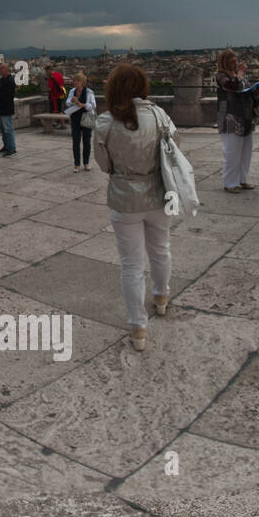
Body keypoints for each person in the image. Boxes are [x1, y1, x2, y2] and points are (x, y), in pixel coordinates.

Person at [97, 64, 179, 351]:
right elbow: (174, 150)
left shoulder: (105, 122)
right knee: (161, 249)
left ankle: (138, 328)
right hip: (159, 194)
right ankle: (161, 298)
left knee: (131, 265)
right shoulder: (159, 115)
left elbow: (104, 165)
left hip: (124, 198)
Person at [213, 49, 256, 193]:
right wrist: (240, 74)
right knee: (232, 152)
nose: (236, 63)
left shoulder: (237, 75)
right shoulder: (221, 76)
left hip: (245, 117)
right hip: (230, 118)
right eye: (232, 61)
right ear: (225, 62)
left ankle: (242, 179)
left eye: (236, 60)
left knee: (246, 151)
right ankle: (230, 183)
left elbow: (245, 88)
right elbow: (233, 87)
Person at [66, 71, 98, 171]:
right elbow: (67, 103)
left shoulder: (89, 92)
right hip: (75, 118)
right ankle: (76, 164)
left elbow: (93, 105)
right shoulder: (72, 91)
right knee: (75, 141)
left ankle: (86, 163)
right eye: (74, 80)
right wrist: (71, 101)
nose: (75, 82)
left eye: (78, 80)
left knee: (86, 141)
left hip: (86, 118)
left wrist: (83, 105)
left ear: (82, 82)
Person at [0, 61, 19, 157]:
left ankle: (12, 148)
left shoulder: (10, 81)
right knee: (3, 129)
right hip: (0, 108)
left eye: (1, 69)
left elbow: (7, 95)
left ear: (6, 70)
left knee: (8, 129)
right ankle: (6, 146)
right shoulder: (2, 80)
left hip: (5, 108)